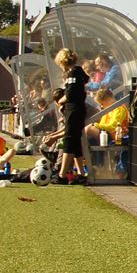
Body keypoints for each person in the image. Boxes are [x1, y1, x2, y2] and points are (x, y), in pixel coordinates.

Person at [54, 48, 89, 183]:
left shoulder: (73, 73)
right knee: (75, 142)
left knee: (69, 140)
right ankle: (80, 174)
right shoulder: (78, 72)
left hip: (73, 110)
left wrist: (60, 101)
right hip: (77, 109)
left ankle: (62, 175)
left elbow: (70, 94)